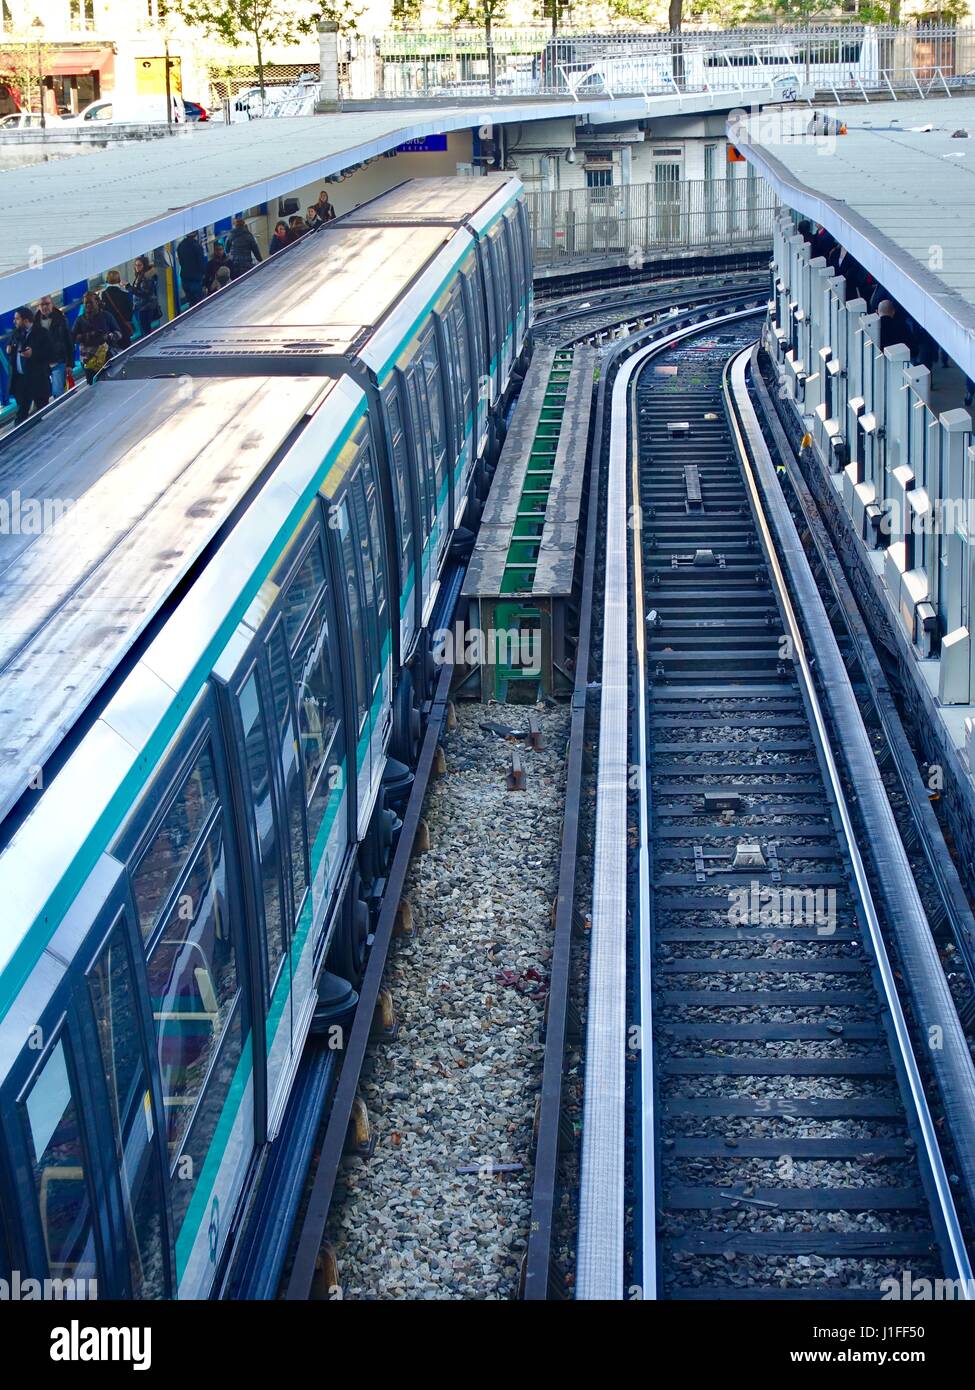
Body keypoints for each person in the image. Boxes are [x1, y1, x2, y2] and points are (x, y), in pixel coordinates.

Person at [5, 306, 51, 424]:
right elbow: (13, 351)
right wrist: (10, 351)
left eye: (17, 319)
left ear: (26, 320)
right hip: (20, 380)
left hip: (37, 379)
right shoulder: (16, 333)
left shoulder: (41, 333)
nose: (14, 322)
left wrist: (33, 353)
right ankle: (17, 437)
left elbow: (49, 353)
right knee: (22, 411)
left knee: (41, 408)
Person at [73, 290, 122, 383]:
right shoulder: (80, 320)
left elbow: (119, 333)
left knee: (109, 384)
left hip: (106, 359)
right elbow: (72, 337)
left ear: (97, 302)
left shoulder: (106, 316)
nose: (88, 305)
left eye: (90, 302)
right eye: (85, 303)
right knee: (92, 387)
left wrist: (108, 336)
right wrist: (88, 337)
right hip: (88, 361)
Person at [35, 294, 73, 397]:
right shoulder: (35, 322)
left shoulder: (61, 319)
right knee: (44, 394)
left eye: (47, 304)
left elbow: (68, 341)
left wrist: (70, 363)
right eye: (42, 304)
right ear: (38, 306)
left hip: (58, 360)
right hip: (42, 364)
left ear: (52, 304)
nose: (44, 307)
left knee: (57, 392)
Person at [129, 256, 160, 338]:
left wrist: (128, 287)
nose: (137, 267)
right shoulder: (140, 276)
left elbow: (144, 294)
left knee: (145, 328)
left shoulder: (146, 278)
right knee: (145, 327)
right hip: (142, 306)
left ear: (144, 266)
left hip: (146, 306)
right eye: (136, 265)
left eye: (139, 265)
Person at [101, 270, 133, 348]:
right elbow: (129, 311)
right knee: (125, 348)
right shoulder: (125, 294)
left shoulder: (104, 294)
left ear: (107, 280)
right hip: (123, 327)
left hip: (110, 328)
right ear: (119, 280)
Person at [177, 231, 206, 306]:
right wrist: (204, 274)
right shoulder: (197, 246)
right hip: (195, 278)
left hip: (185, 278)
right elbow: (201, 263)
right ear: (196, 235)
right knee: (198, 303)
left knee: (191, 301)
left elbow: (181, 262)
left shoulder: (180, 246)